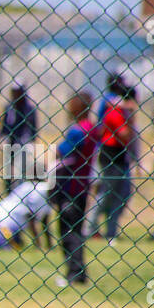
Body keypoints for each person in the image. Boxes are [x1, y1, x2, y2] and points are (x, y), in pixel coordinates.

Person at [51, 91, 97, 285]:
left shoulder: (79, 130)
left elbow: (62, 151)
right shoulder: (93, 128)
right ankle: (79, 272)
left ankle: (74, 273)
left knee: (68, 231)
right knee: (76, 230)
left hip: (71, 188)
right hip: (82, 185)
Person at [85, 77, 137, 245]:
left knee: (120, 196)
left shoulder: (121, 112)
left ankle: (111, 231)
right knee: (106, 195)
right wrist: (131, 117)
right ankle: (90, 228)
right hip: (110, 157)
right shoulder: (114, 112)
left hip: (120, 157)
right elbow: (124, 136)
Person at [0, 83, 37, 191]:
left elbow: (33, 128)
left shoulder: (29, 108)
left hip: (23, 142)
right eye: (14, 92)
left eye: (18, 92)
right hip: (10, 141)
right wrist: (2, 138)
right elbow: (5, 126)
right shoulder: (9, 107)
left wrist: (31, 142)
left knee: (21, 169)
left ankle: (20, 190)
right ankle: (8, 190)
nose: (16, 95)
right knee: (7, 168)